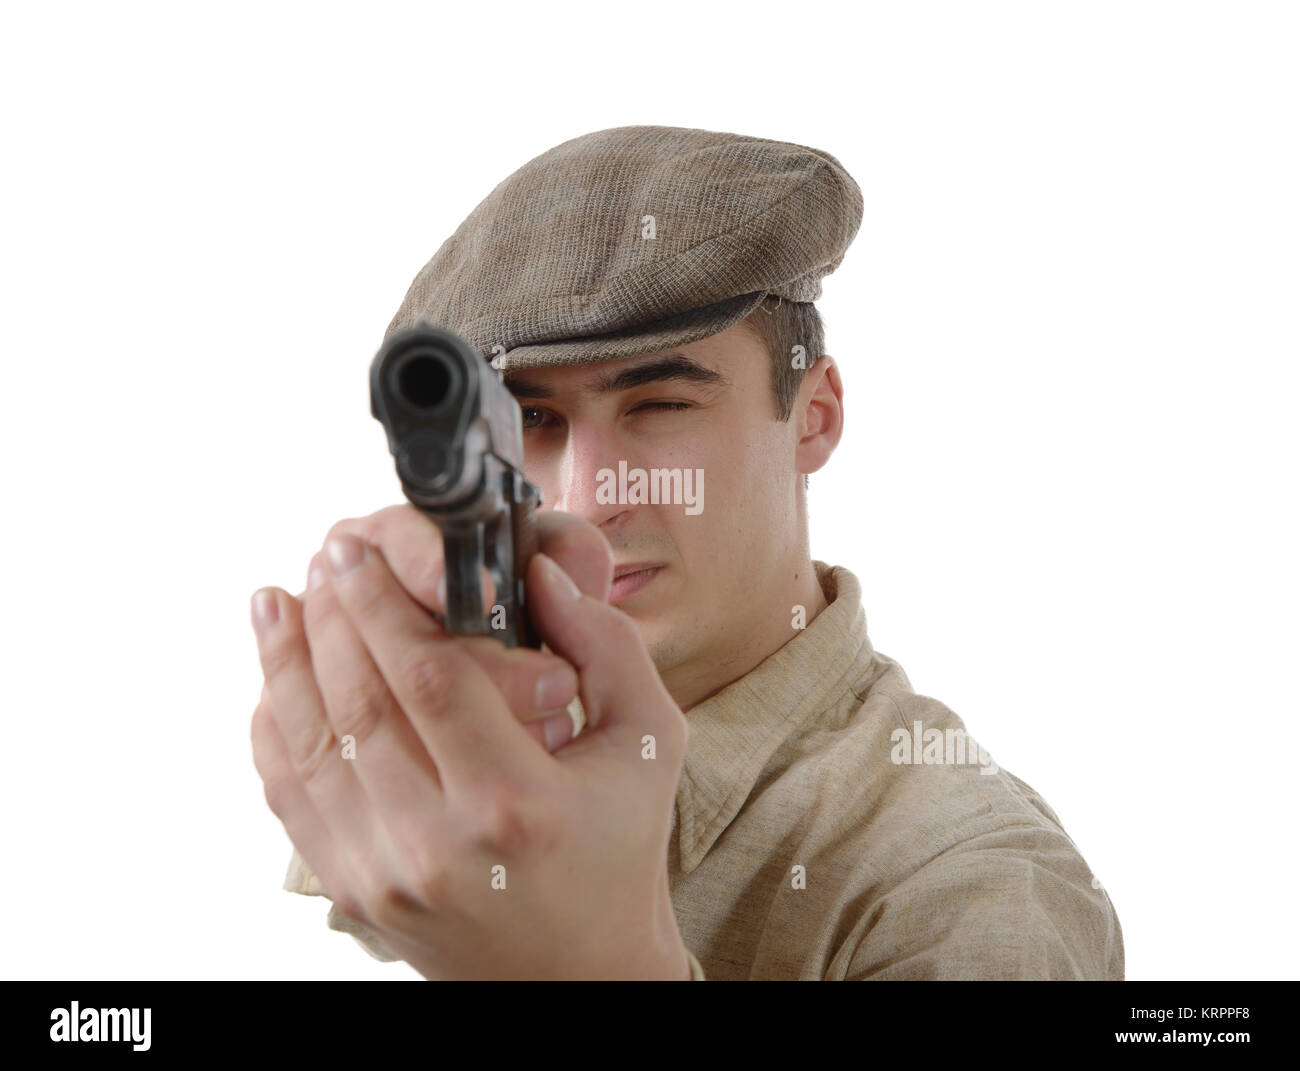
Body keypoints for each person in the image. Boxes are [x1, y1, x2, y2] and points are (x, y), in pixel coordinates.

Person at [251, 124, 1125, 979]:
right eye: (533, 422)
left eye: (660, 404)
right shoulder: (505, 727)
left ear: (814, 416)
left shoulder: (971, 891)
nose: (590, 496)